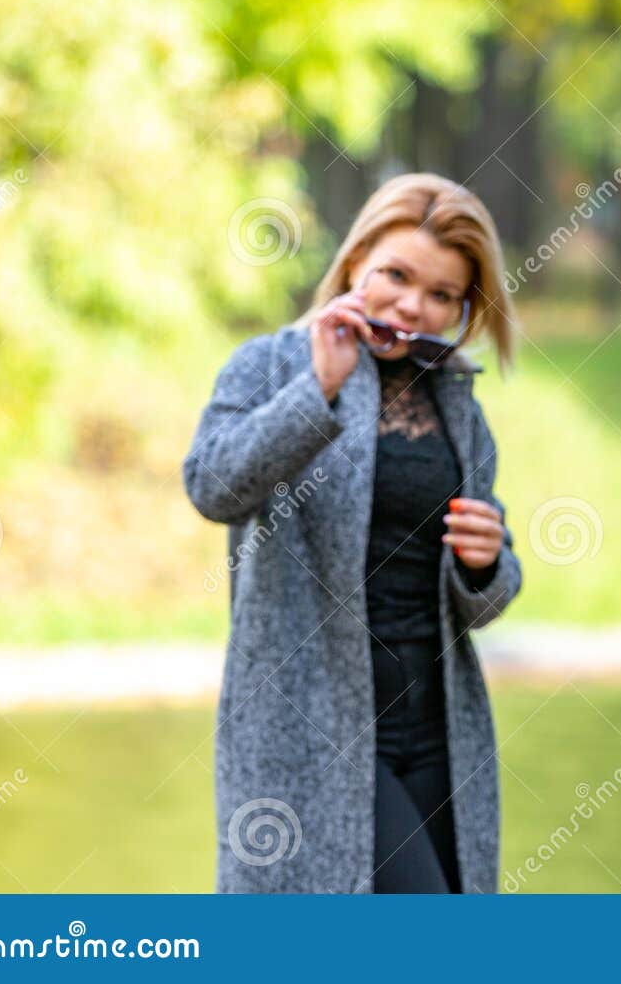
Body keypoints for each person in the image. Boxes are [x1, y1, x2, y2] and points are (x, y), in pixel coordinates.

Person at [184, 172, 521, 893]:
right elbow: (213, 486)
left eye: (442, 295)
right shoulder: (271, 364)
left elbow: (483, 600)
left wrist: (488, 563)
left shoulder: (456, 402)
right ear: (356, 257)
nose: (413, 305)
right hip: (314, 729)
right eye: (396, 275)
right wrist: (318, 390)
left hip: (438, 729)